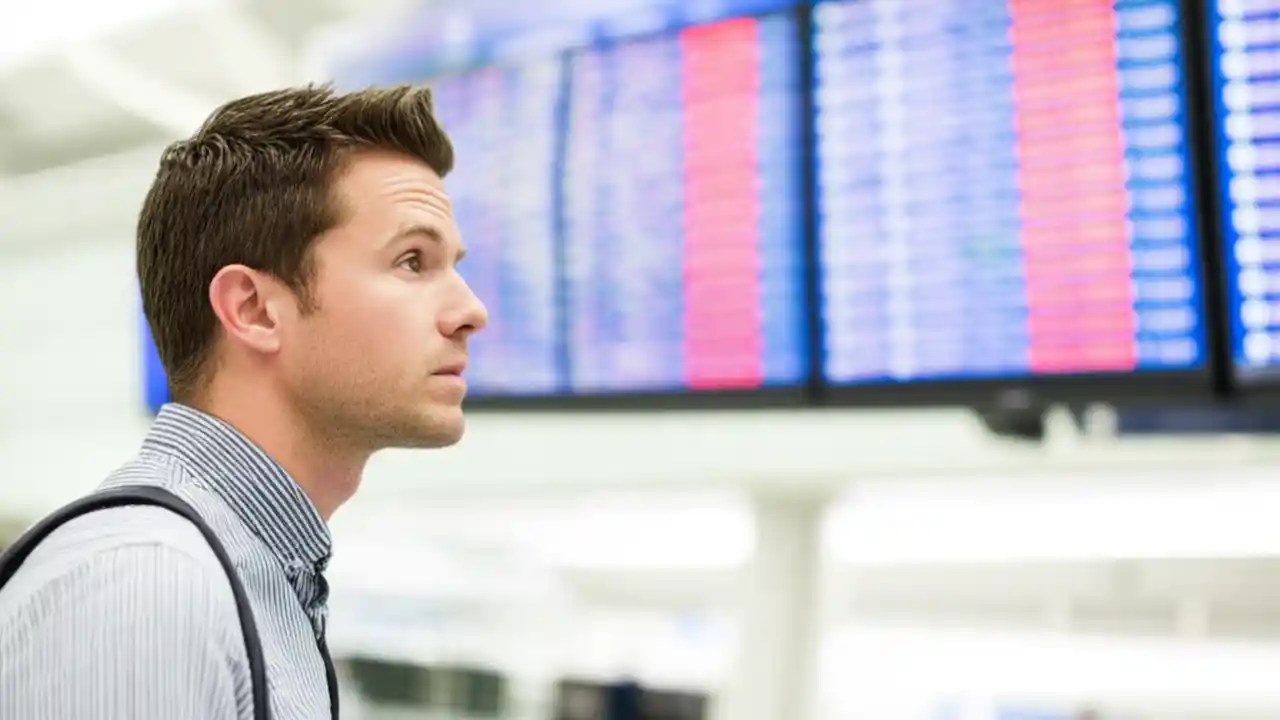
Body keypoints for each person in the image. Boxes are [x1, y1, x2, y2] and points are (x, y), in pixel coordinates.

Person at [0, 84, 487, 719]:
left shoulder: (245, 577)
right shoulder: (148, 583)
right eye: (412, 261)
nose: (470, 311)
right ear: (253, 309)